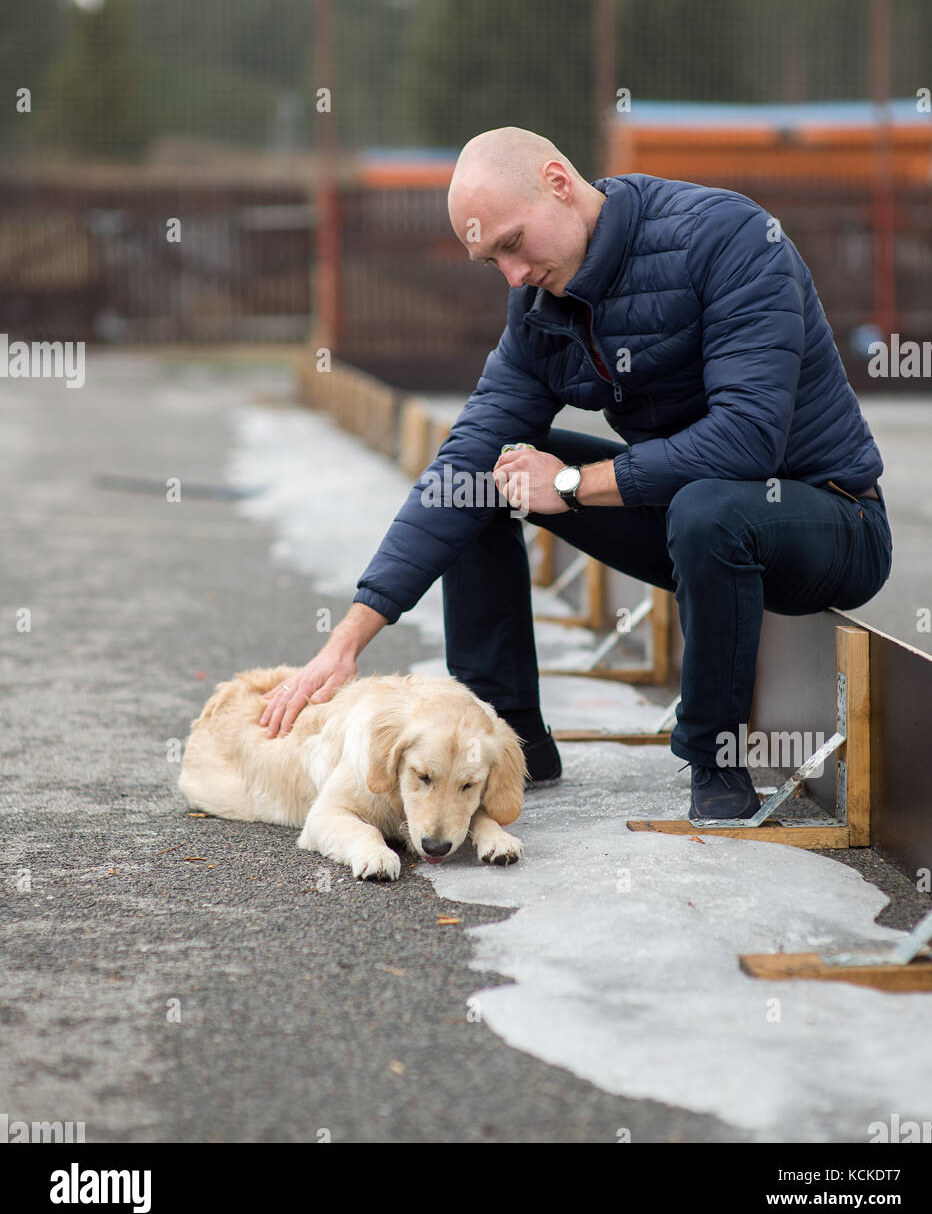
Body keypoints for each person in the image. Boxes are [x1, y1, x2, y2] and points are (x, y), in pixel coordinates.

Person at [260, 126, 893, 820]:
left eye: (510, 243)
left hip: (827, 522)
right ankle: (506, 744)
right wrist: (345, 641)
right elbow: (464, 458)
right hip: (690, 523)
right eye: (488, 260)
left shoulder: (727, 236)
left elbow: (746, 441)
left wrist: (569, 485)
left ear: (558, 184)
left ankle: (715, 762)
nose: (511, 274)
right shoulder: (539, 303)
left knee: (707, 507)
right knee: (487, 474)